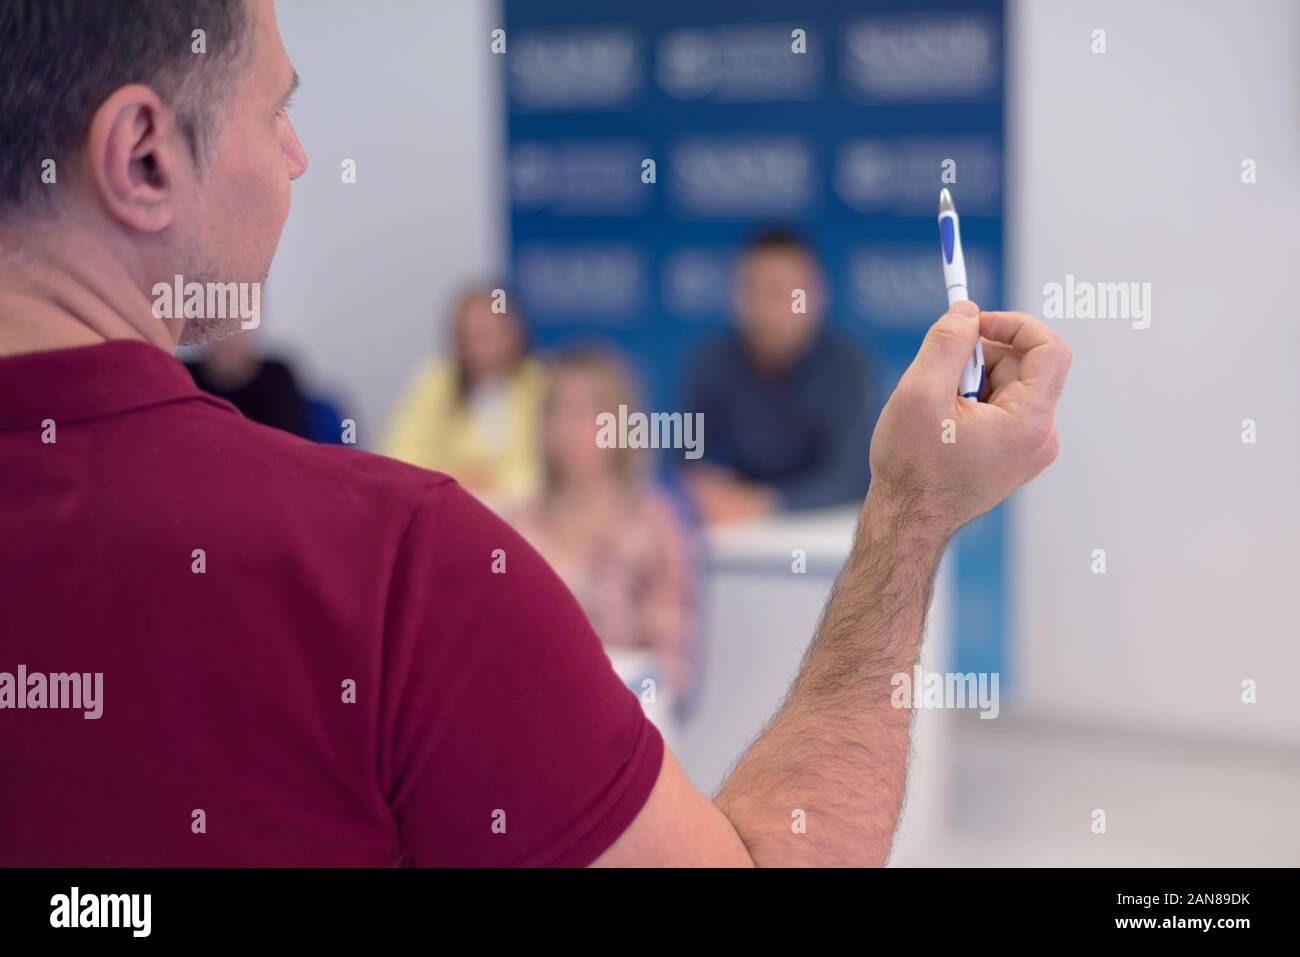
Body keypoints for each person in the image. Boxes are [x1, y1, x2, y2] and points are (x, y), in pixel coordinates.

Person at [0, 0, 1071, 866]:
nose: (297, 158)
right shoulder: (406, 566)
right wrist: (914, 513)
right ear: (142, 155)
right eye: (274, 112)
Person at [511, 350, 696, 739]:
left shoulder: (653, 522)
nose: (573, 428)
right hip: (532, 716)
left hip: (631, 720)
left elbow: (674, 658)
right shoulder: (519, 527)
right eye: (561, 411)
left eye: (591, 412)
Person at [682, 228, 875, 523]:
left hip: (825, 540)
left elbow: (852, 479)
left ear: (819, 296)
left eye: (790, 293)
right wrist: (704, 489)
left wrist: (766, 503)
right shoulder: (711, 362)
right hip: (731, 540)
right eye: (763, 292)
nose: (776, 309)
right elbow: (690, 464)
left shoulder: (847, 366)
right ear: (738, 298)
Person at [382, 287, 546, 509]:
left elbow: (546, 472)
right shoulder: (437, 381)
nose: (479, 346)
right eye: (471, 335)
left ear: (514, 333)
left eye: (489, 333)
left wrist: (491, 481)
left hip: (524, 519)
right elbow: (398, 457)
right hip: (447, 511)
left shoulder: (541, 384)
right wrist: (458, 479)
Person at [185, 327, 310, 438]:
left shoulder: (277, 379)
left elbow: (289, 445)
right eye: (215, 322)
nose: (227, 338)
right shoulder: (182, 375)